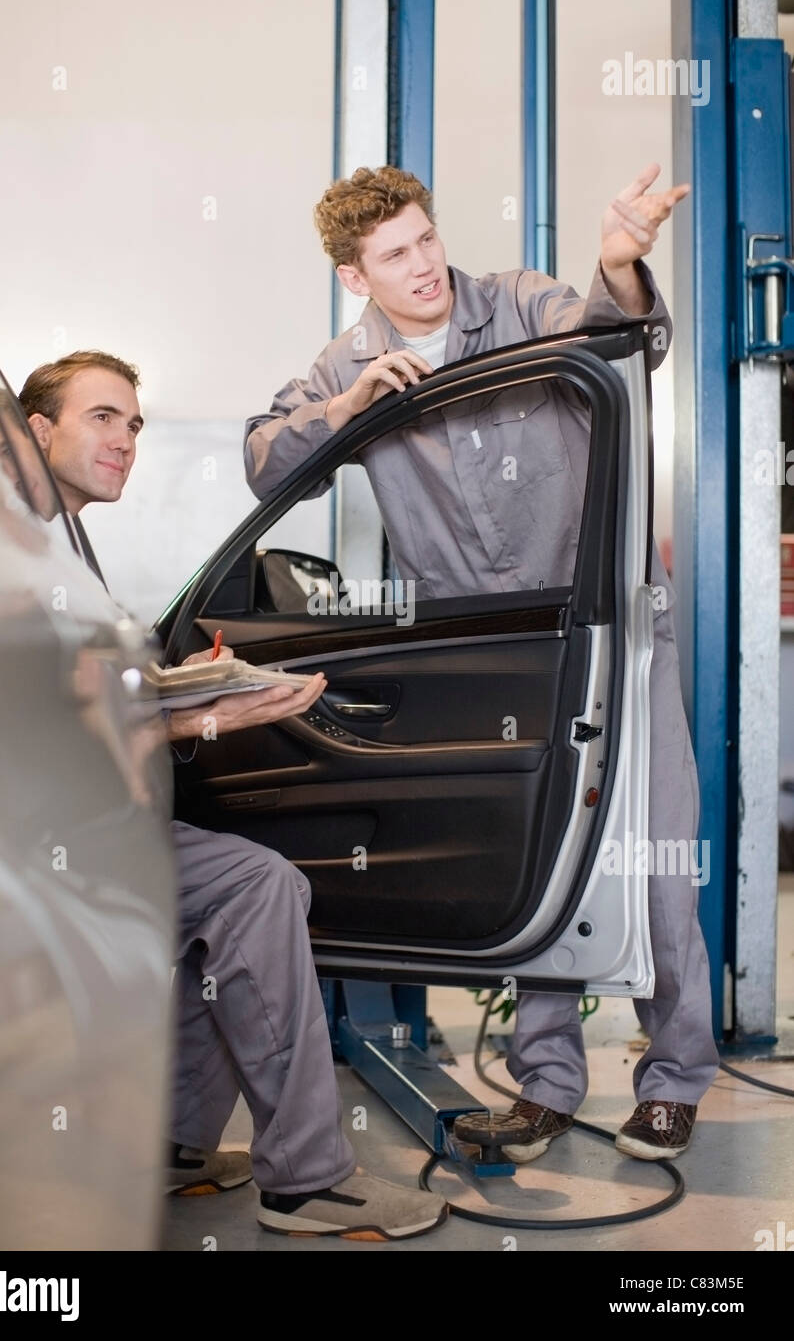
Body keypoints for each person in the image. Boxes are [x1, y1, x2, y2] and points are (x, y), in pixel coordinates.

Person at [244, 163, 719, 1162]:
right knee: (531, 860)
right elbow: (261, 462)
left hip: (608, 632)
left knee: (653, 857)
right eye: (392, 256)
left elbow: (620, 339)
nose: (422, 266)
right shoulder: (341, 365)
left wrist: (618, 262)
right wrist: (344, 416)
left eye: (423, 239)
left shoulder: (519, 301)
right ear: (352, 275)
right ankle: (545, 1086)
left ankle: (672, 1079)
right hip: (495, 659)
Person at [16, 350, 447, 1240]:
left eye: (134, 424)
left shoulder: (60, 536)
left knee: (236, 893)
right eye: (103, 417)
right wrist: (193, 720)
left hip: (84, 826)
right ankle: (308, 1182)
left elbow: (82, 686)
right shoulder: (15, 548)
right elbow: (29, 724)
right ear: (38, 429)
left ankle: (172, 1146)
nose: (126, 440)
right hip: (38, 848)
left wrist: (185, 684)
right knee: (256, 886)